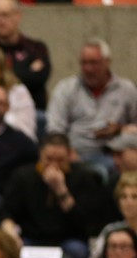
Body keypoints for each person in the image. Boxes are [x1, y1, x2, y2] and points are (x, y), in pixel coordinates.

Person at [5, 133, 117, 258]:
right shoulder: (23, 176)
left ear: (70, 156)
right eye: (49, 159)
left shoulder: (84, 177)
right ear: (40, 155)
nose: (54, 165)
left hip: (68, 239)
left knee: (77, 251)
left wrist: (61, 191)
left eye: (60, 160)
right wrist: (10, 232)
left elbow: (88, 223)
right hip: (31, 237)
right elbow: (9, 213)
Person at [49, 40, 137, 170]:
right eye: (84, 63)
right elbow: (55, 129)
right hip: (75, 153)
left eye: (94, 63)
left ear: (107, 62)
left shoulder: (126, 89)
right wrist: (67, 152)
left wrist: (120, 130)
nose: (88, 69)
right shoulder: (66, 89)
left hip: (114, 153)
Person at [0, 0, 51, 112]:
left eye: (5, 15)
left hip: (33, 111)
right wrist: (26, 71)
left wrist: (1, 74)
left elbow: (39, 79)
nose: (0, 21)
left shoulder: (37, 48)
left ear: (18, 16)